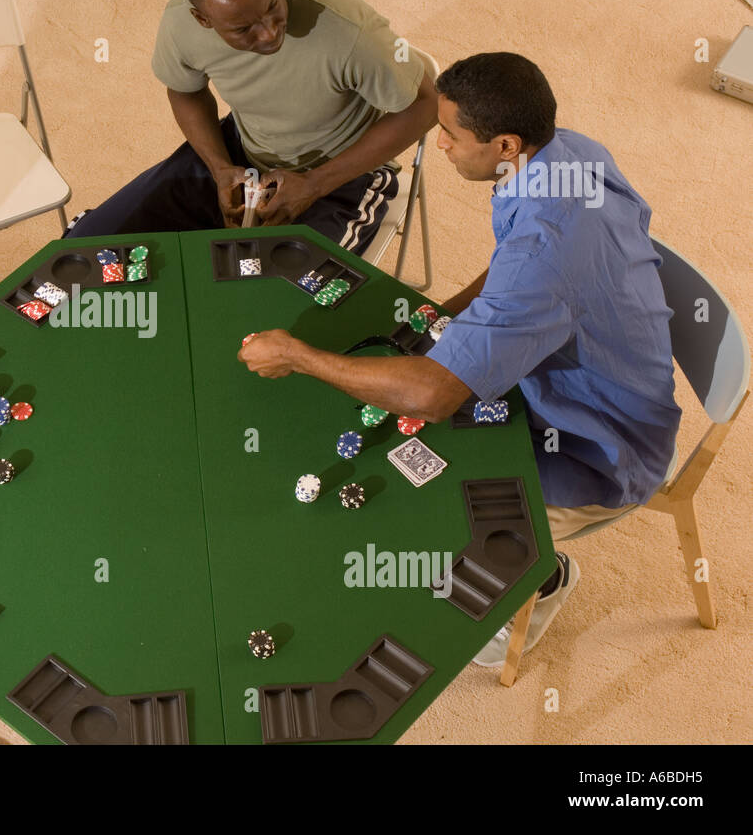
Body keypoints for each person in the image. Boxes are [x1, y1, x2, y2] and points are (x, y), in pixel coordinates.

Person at [239, 52, 681, 664]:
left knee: (421, 506)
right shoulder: (572, 152)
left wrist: (297, 355)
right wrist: (451, 311)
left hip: (601, 442)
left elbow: (432, 394)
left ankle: (545, 574)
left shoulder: (545, 255)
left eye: (451, 133)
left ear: (504, 143)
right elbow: (518, 267)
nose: (438, 143)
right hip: (601, 369)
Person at [66, 0, 438, 253]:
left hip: (344, 177)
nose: (269, 33)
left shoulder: (348, 31)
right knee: (91, 241)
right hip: (241, 154)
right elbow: (184, 91)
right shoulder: (181, 24)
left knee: (281, 298)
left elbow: (428, 101)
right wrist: (219, 168)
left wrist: (314, 183)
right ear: (203, 20)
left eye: (273, 7)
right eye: (244, 29)